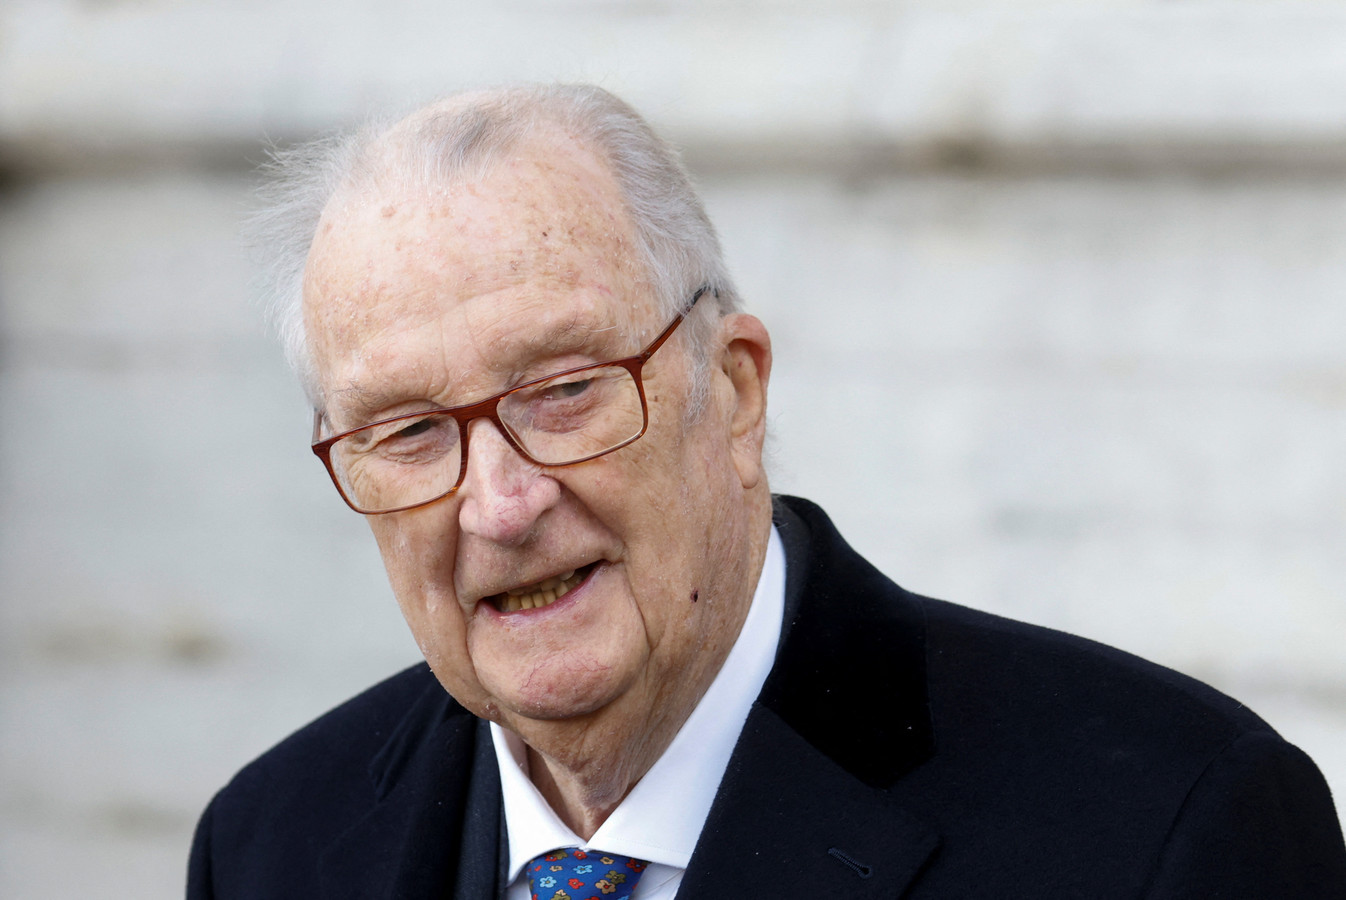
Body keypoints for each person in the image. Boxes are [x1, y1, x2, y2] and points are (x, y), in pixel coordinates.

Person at [188, 83, 1346, 898]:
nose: (498, 504)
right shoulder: (268, 846)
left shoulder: (1164, 829)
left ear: (734, 390)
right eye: (407, 432)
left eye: (564, 390)